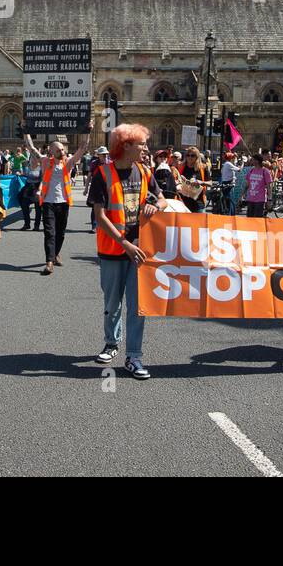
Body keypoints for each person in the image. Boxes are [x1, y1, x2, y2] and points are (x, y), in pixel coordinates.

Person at [88, 123, 160, 378]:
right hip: (113, 249)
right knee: (112, 302)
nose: (145, 148)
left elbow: (160, 198)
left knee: (138, 305)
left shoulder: (144, 171)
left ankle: (134, 356)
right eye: (141, 144)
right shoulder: (103, 174)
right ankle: (111, 343)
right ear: (125, 145)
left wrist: (155, 205)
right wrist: (124, 243)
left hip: (139, 250)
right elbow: (100, 216)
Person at [25, 132, 90, 275]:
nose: (62, 151)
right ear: (51, 152)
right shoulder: (45, 162)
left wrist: (87, 130)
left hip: (64, 203)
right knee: (49, 233)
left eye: (62, 149)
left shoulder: (69, 162)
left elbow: (83, 147)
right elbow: (31, 147)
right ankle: (49, 262)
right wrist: (26, 131)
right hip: (48, 202)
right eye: (59, 150)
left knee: (61, 233)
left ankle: (56, 253)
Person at [177, 146, 210, 213]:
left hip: (198, 204)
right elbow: (175, 181)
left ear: (197, 157)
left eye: (192, 155)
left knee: (199, 223)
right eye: (188, 155)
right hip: (182, 203)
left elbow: (210, 183)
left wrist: (201, 182)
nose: (190, 157)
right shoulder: (180, 167)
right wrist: (179, 182)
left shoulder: (203, 168)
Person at [243, 153, 272, 217]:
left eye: (252, 160)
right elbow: (247, 185)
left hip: (260, 200)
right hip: (250, 199)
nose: (251, 161)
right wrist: (242, 195)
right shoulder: (251, 170)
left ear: (257, 161)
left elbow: (269, 187)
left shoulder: (265, 171)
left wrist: (269, 199)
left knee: (257, 219)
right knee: (249, 219)